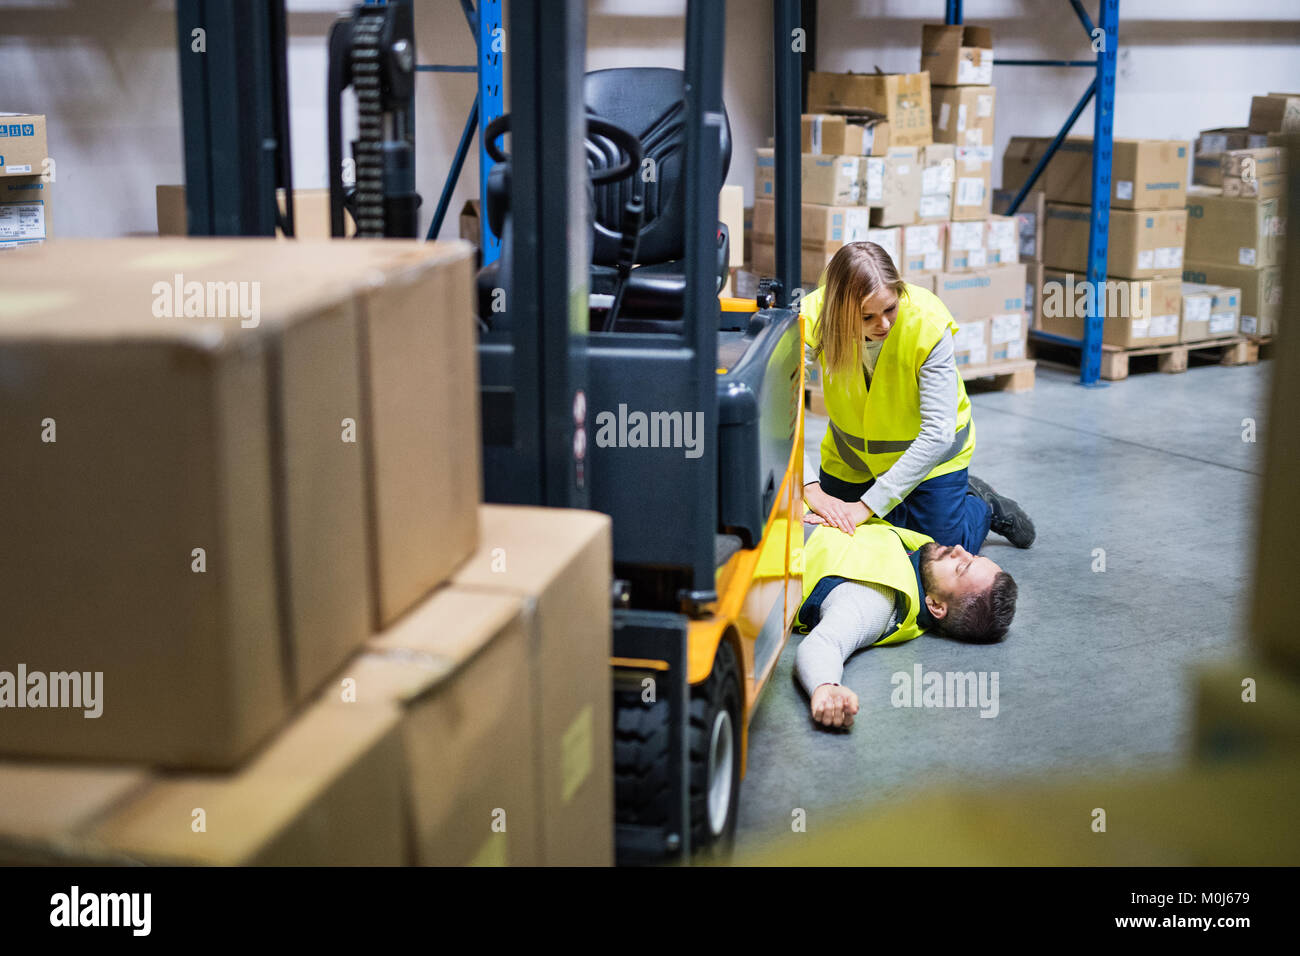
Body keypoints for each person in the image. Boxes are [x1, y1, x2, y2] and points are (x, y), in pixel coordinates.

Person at [800, 241, 1034, 553]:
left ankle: (981, 504)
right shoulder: (814, 316)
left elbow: (937, 435)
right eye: (866, 317)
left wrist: (866, 507)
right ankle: (903, 507)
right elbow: (777, 405)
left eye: (889, 309)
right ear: (839, 311)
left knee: (937, 552)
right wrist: (809, 488)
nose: (882, 324)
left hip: (932, 457)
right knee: (832, 534)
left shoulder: (928, 322)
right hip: (852, 458)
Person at [795, 518, 1018, 729]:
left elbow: (825, 643)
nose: (959, 549)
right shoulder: (921, 558)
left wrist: (825, 685)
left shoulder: (875, 601)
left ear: (937, 606)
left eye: (961, 568)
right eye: (972, 556)